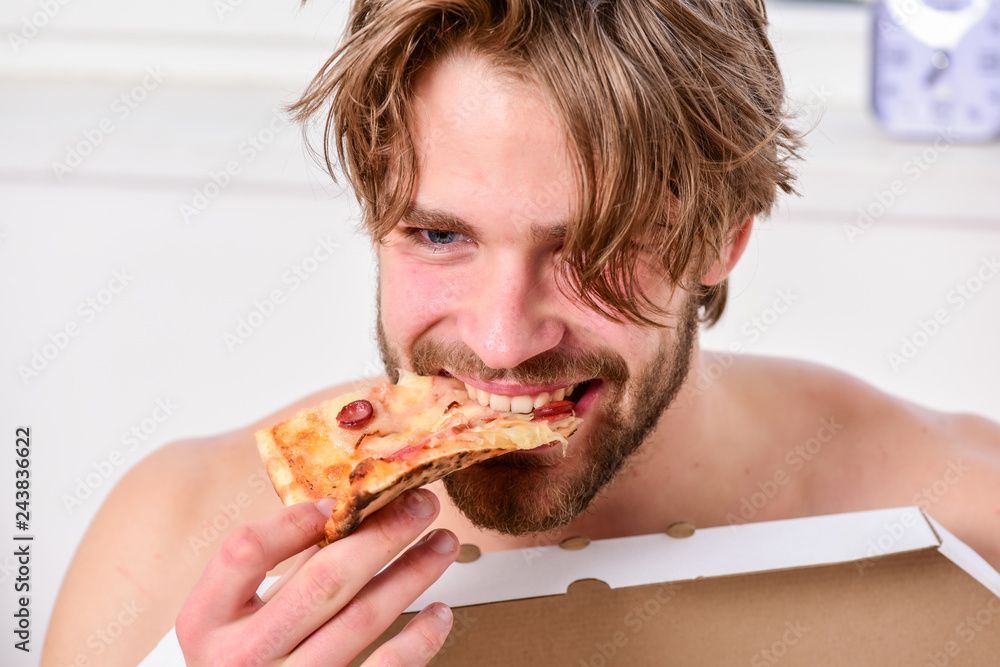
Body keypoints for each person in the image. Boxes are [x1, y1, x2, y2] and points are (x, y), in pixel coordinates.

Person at [43, 0, 1000, 665]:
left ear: (722, 236)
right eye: (440, 234)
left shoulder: (969, 526)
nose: (503, 339)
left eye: (592, 246)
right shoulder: (167, 550)